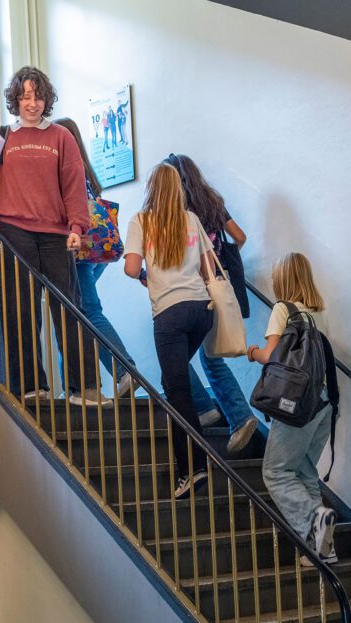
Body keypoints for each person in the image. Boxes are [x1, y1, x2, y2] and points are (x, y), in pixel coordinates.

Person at [0, 66, 100, 403]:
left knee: (70, 308)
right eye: (25, 96)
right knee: (20, 312)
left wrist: (77, 227)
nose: (32, 103)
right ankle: (31, 388)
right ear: (15, 99)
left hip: (55, 234)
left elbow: (74, 186)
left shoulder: (61, 137)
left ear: (47, 100)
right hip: (13, 232)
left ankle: (83, 388)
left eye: (38, 96)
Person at [123, 163, 216, 499]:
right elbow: (209, 267)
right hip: (201, 310)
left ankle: (193, 468)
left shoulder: (141, 221)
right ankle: (194, 462)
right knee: (172, 382)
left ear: (151, 188)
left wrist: (146, 276)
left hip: (169, 314)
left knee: (177, 392)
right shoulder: (190, 219)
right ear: (178, 189)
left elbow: (131, 268)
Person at [164, 153, 258, 455]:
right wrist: (221, 259)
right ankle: (237, 416)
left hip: (191, 288)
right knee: (212, 357)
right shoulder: (213, 202)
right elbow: (240, 237)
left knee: (175, 358)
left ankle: (209, 409)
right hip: (218, 284)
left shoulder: (176, 211)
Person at [247, 252, 335, 558]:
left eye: (275, 277)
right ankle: (322, 551)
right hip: (324, 402)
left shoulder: (283, 309)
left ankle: (313, 519)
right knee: (306, 472)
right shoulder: (319, 312)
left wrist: (252, 351)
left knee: (276, 472)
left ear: (283, 279)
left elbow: (271, 356)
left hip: (297, 404)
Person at [52, 117, 133, 398]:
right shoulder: (86, 172)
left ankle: (124, 370)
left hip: (75, 252)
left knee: (88, 311)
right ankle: (73, 388)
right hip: (94, 252)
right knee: (70, 316)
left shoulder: (65, 171)